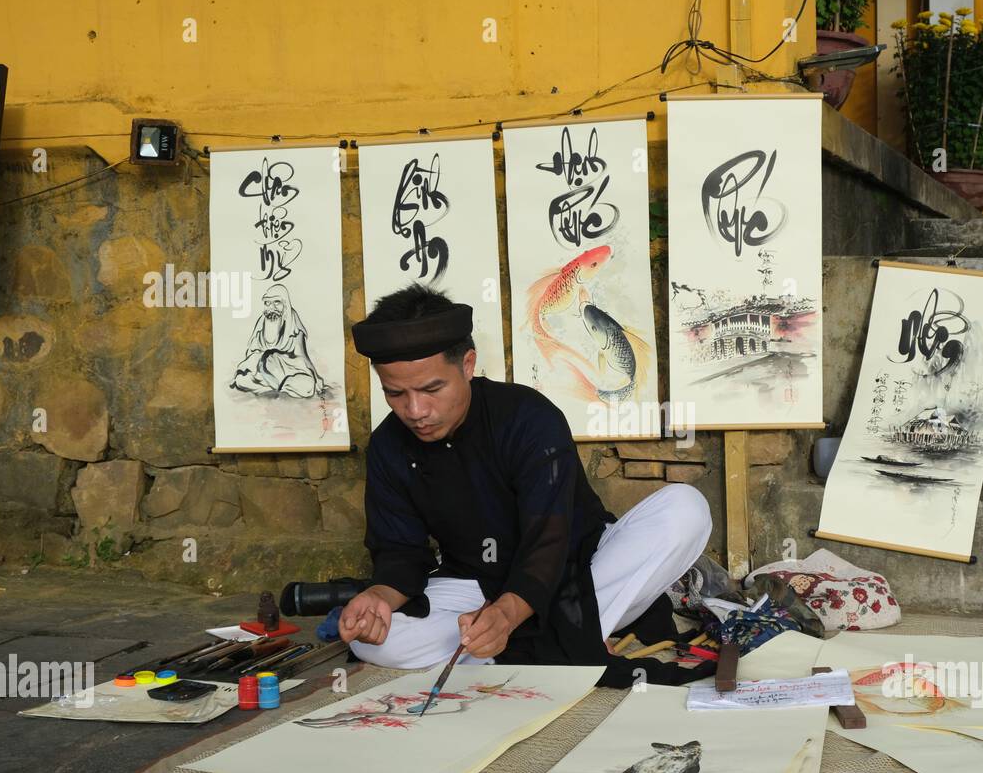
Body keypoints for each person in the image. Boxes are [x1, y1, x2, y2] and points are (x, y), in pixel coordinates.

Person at [340, 283, 712, 679]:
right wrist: (379, 596)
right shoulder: (388, 445)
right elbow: (400, 552)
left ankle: (523, 638)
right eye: (395, 394)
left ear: (467, 364)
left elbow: (549, 540)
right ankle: (559, 637)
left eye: (432, 389)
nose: (415, 410)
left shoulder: (528, 417)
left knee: (685, 509)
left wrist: (508, 613)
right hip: (474, 583)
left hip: (575, 568)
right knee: (369, 638)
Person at [229, 283, 325, 397]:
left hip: (286, 370)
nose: (271, 308)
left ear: (285, 304)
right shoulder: (262, 322)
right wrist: (262, 359)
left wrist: (315, 376)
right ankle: (275, 388)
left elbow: (302, 357)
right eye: (267, 303)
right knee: (241, 380)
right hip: (262, 370)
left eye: (276, 302)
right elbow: (252, 352)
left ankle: (276, 387)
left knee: (307, 386)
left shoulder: (293, 323)